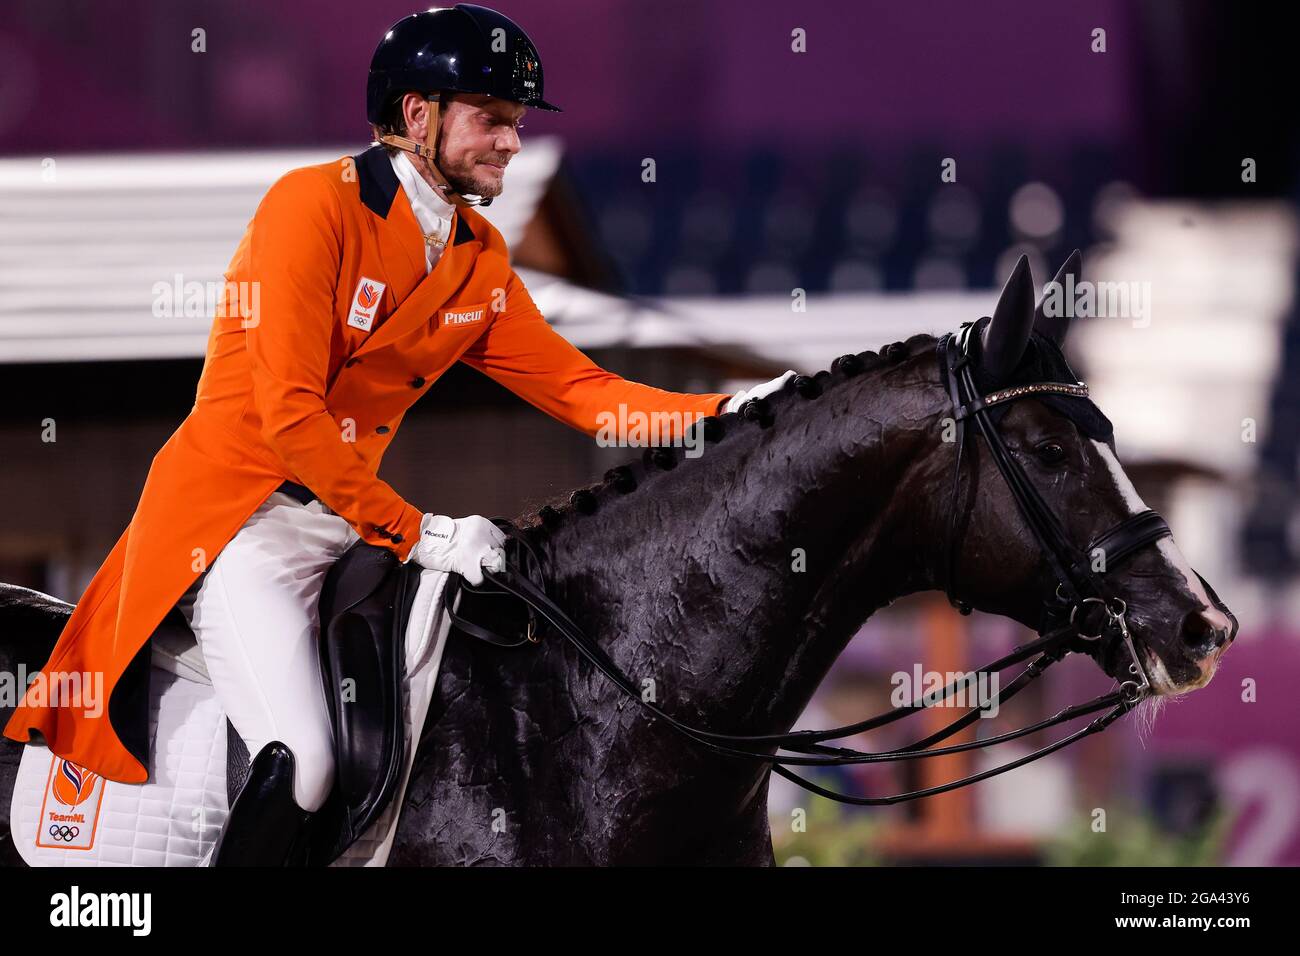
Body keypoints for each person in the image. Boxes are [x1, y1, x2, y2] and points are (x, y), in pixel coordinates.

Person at [3, 3, 795, 865]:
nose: (511, 144)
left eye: (517, 125)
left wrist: (737, 415)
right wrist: (419, 530)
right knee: (303, 758)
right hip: (235, 527)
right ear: (418, 117)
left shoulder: (476, 257)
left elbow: (584, 393)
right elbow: (291, 416)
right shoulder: (310, 208)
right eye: (492, 120)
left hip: (339, 529)